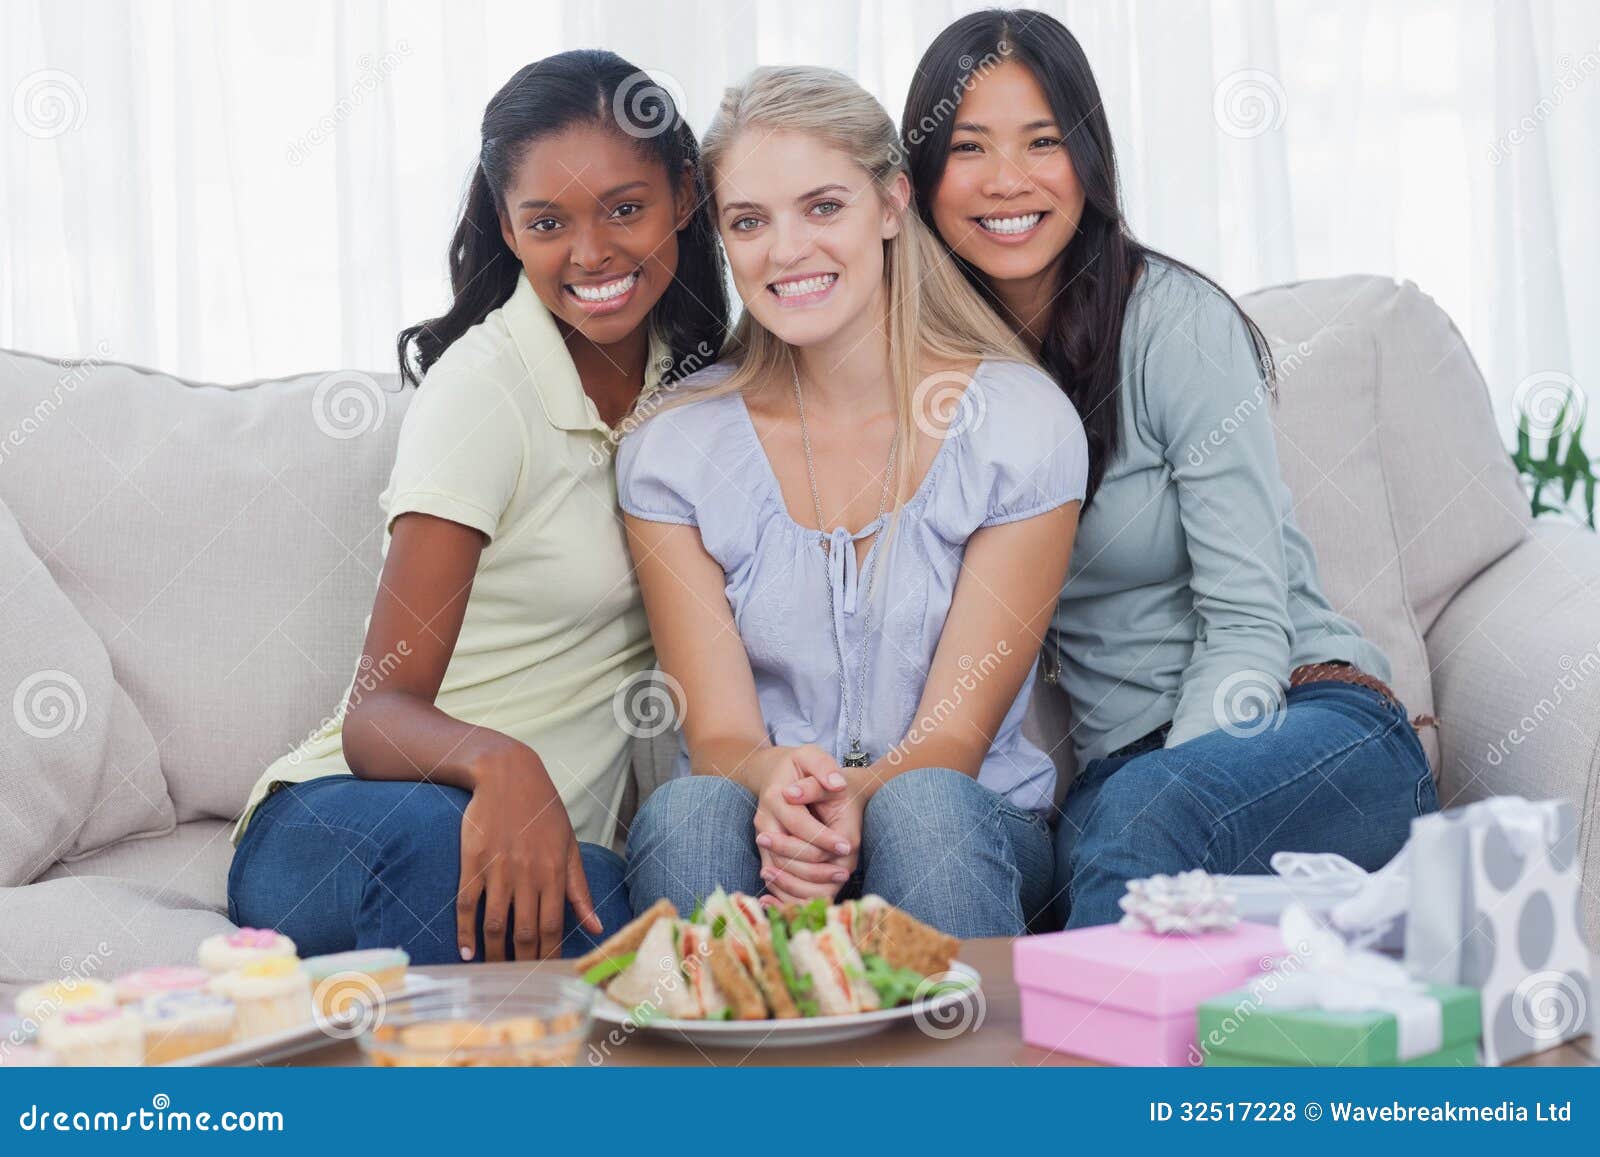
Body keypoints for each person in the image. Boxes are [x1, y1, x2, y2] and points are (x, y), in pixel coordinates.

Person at [904, 10, 1438, 929]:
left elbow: (1245, 622)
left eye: (1042, 141)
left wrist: (1166, 795)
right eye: (969, 148)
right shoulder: (935, 371)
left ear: (1090, 159)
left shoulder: (1172, 323)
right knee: (1104, 835)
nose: (1007, 181)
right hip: (1127, 780)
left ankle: (1071, 1075)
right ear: (916, 181)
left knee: (1136, 827)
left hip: (1308, 722)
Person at [227, 50, 728, 963]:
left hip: (548, 848)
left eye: (626, 208)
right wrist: (504, 763)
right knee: (442, 850)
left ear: (685, 196)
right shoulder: (482, 392)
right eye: (548, 222)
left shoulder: (697, 386)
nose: (592, 253)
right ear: (508, 226)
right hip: (342, 823)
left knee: (647, 912)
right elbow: (379, 713)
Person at [618, 66, 1087, 938]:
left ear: (893, 204)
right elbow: (720, 734)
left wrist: (859, 799)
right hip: (764, 831)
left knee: (925, 809)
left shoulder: (1019, 425)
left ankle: (967, 1075)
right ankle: (714, 1070)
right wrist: (778, 786)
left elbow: (953, 738)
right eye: (749, 221)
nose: (785, 249)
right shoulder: (674, 449)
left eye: (823, 207)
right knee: (687, 812)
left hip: (963, 827)